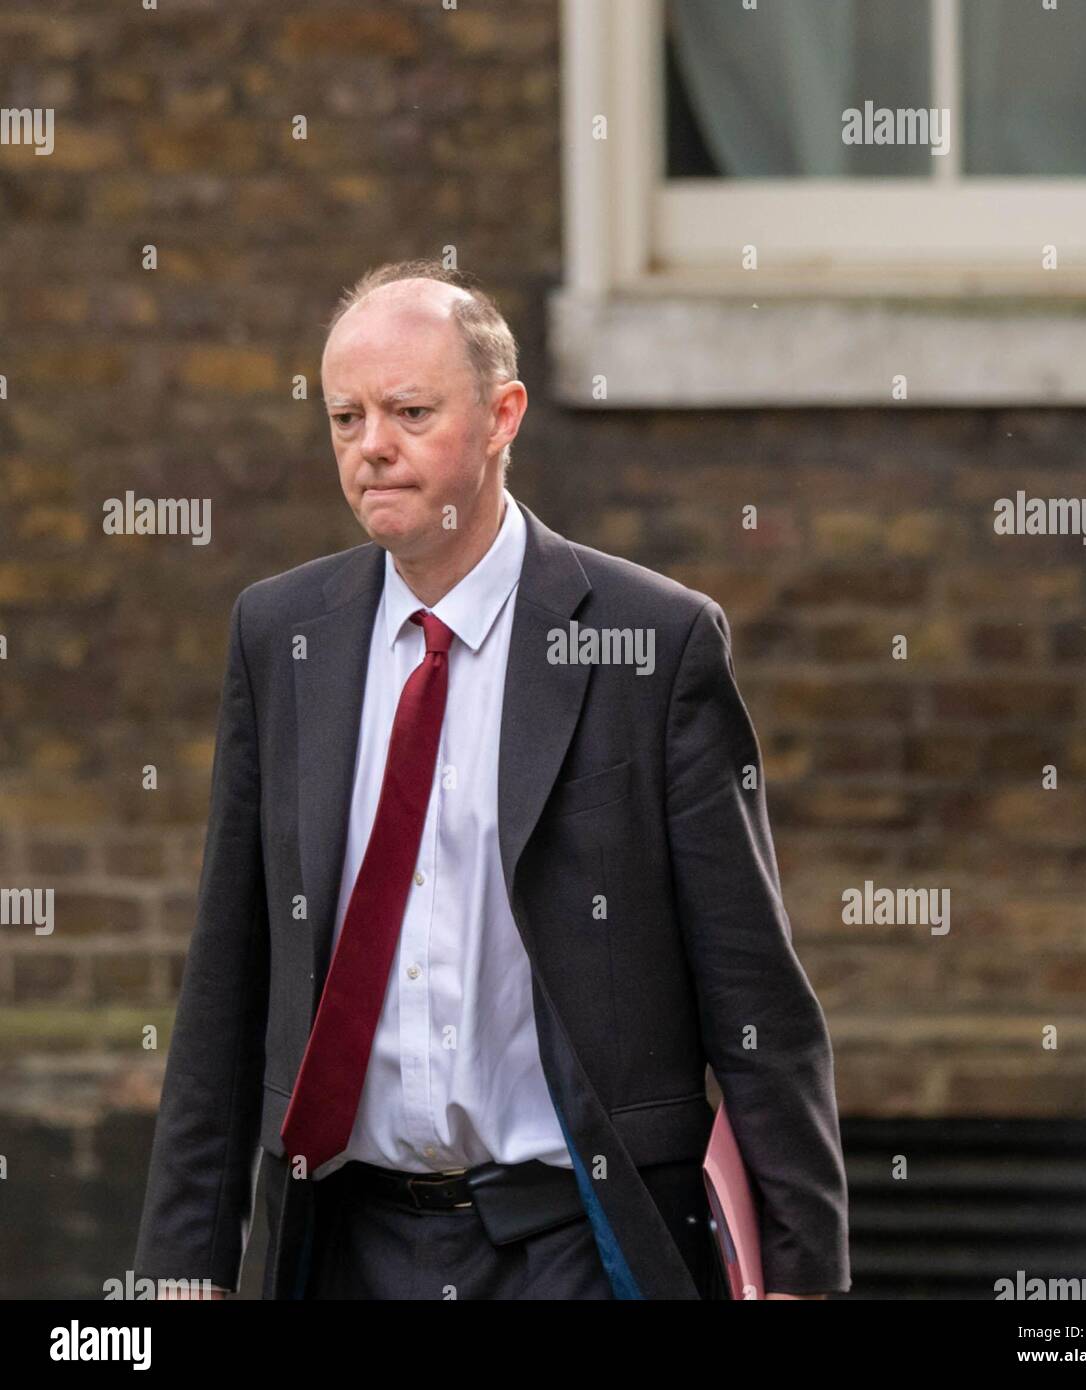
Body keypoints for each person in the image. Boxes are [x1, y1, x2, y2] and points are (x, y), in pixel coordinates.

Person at [134, 260, 850, 1301]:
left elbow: (754, 990)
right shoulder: (280, 635)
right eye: (345, 416)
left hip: (577, 1240)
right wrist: (181, 1268)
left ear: (503, 414)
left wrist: (798, 1271)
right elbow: (227, 972)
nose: (370, 444)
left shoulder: (651, 640)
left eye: (409, 411)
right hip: (342, 1244)